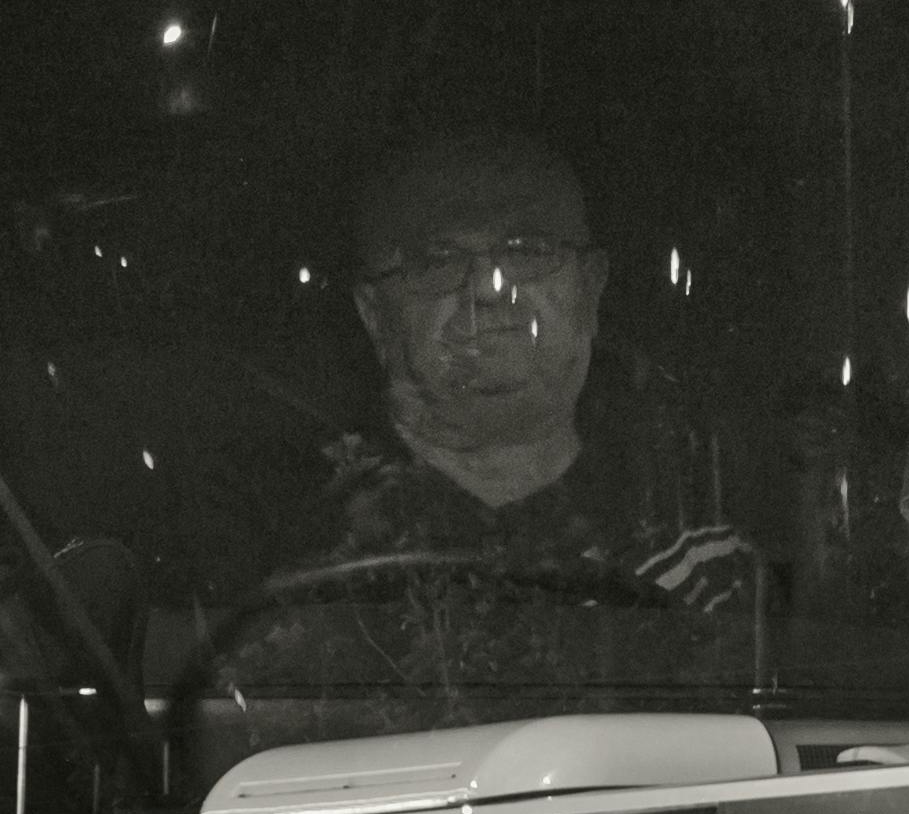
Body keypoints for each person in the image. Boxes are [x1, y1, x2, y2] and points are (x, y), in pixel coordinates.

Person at [299, 131, 759, 607]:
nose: (490, 290)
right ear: (375, 315)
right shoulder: (308, 539)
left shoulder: (692, 540)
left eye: (526, 250)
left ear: (590, 289)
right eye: (437, 260)